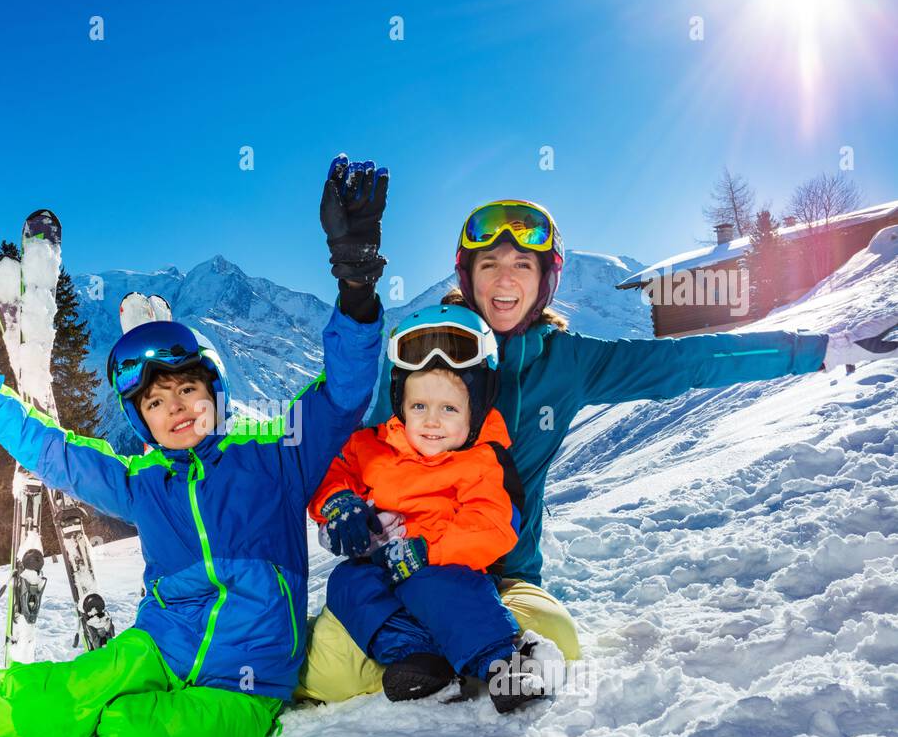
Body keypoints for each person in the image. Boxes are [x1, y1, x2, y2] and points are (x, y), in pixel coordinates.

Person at [0, 154, 388, 737]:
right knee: (50, 703)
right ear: (141, 419)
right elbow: (50, 449)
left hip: (241, 682)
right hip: (153, 650)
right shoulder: (143, 481)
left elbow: (344, 392)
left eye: (188, 390)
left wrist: (356, 279)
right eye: (155, 401)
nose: (176, 408)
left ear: (215, 393)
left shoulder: (275, 455)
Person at [297, 198, 898, 704]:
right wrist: (354, 290)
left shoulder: (568, 362)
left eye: (522, 264)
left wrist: (821, 348)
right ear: (467, 274)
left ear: (545, 280)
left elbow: (685, 362)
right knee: (327, 674)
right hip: (389, 571)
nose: (505, 279)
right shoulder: (420, 351)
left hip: (497, 571)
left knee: (557, 636)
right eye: (490, 263)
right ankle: (424, 652)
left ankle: (448, 650)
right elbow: (342, 423)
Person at [309, 304, 550, 711]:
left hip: (443, 569)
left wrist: (426, 552)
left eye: (449, 409)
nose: (431, 422)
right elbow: (334, 471)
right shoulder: (373, 446)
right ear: (400, 403)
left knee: (434, 585)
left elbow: (492, 526)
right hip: (381, 567)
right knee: (347, 583)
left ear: (477, 407)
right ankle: (418, 659)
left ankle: (501, 662)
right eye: (419, 406)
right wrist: (339, 504)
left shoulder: (481, 461)